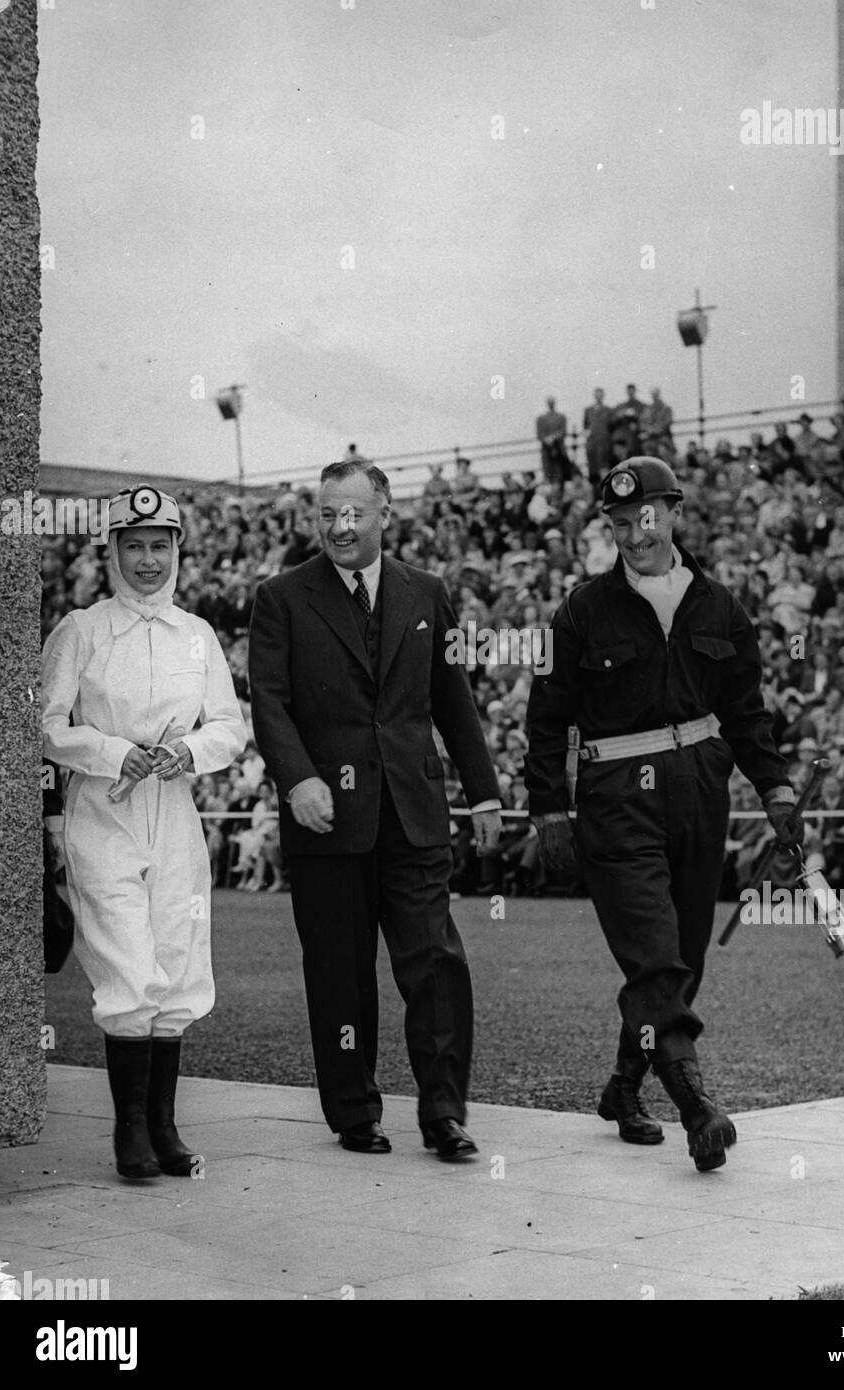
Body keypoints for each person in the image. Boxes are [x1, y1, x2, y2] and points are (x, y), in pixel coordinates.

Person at [524, 457, 802, 1174]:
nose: (632, 533)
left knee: (683, 958)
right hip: (615, 795)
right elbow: (547, 717)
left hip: (700, 792)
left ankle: (623, 1088)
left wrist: (773, 790)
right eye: (618, 523)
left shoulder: (720, 607)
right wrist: (550, 809)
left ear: (672, 513)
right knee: (653, 956)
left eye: (644, 517)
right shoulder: (583, 609)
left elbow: (745, 713)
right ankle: (695, 1106)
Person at [248, 460, 503, 1160]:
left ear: (385, 512)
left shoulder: (427, 591)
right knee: (339, 971)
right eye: (328, 514)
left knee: (435, 965)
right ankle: (355, 1111)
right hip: (324, 818)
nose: (341, 527)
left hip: (413, 812)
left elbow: (452, 698)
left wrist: (482, 792)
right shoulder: (282, 597)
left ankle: (443, 1114)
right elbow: (268, 702)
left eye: (354, 513)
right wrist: (298, 780)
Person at [41, 485, 247, 1180]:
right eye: (135, 546)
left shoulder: (198, 635)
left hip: (174, 809)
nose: (149, 560)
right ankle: (129, 1129)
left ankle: (164, 1123)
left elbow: (229, 726)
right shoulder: (81, 629)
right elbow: (47, 727)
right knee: (128, 962)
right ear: (113, 551)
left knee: (179, 960)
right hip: (104, 810)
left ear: (177, 550)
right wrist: (110, 752)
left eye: (161, 545)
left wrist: (186, 752)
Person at [583, 388, 613, 484]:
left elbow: (612, 427)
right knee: (592, 469)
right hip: (592, 444)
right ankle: (595, 494)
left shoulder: (608, 410)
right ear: (594, 396)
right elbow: (585, 426)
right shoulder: (588, 410)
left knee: (604, 467)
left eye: (600, 395)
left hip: (604, 443)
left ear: (603, 396)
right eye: (597, 395)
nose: (598, 397)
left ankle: (605, 490)